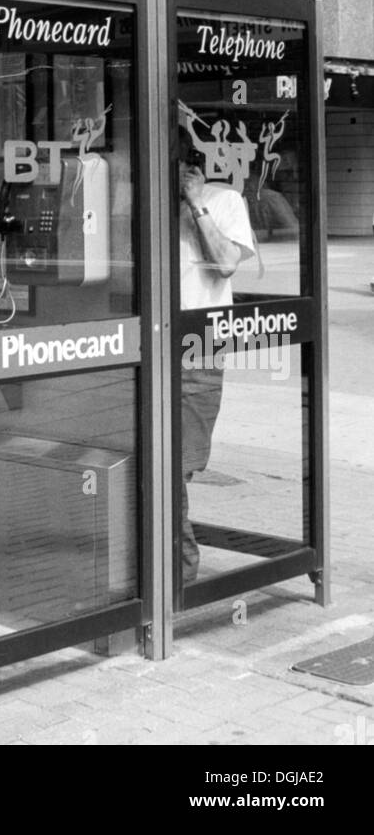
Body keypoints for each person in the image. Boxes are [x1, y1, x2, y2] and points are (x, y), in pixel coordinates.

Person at [179, 132, 255, 584]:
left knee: (177, 465)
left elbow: (226, 263)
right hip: (146, 342)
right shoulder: (143, 199)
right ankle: (169, 569)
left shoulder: (223, 200)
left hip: (198, 346)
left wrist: (194, 202)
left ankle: (180, 572)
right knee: (151, 462)